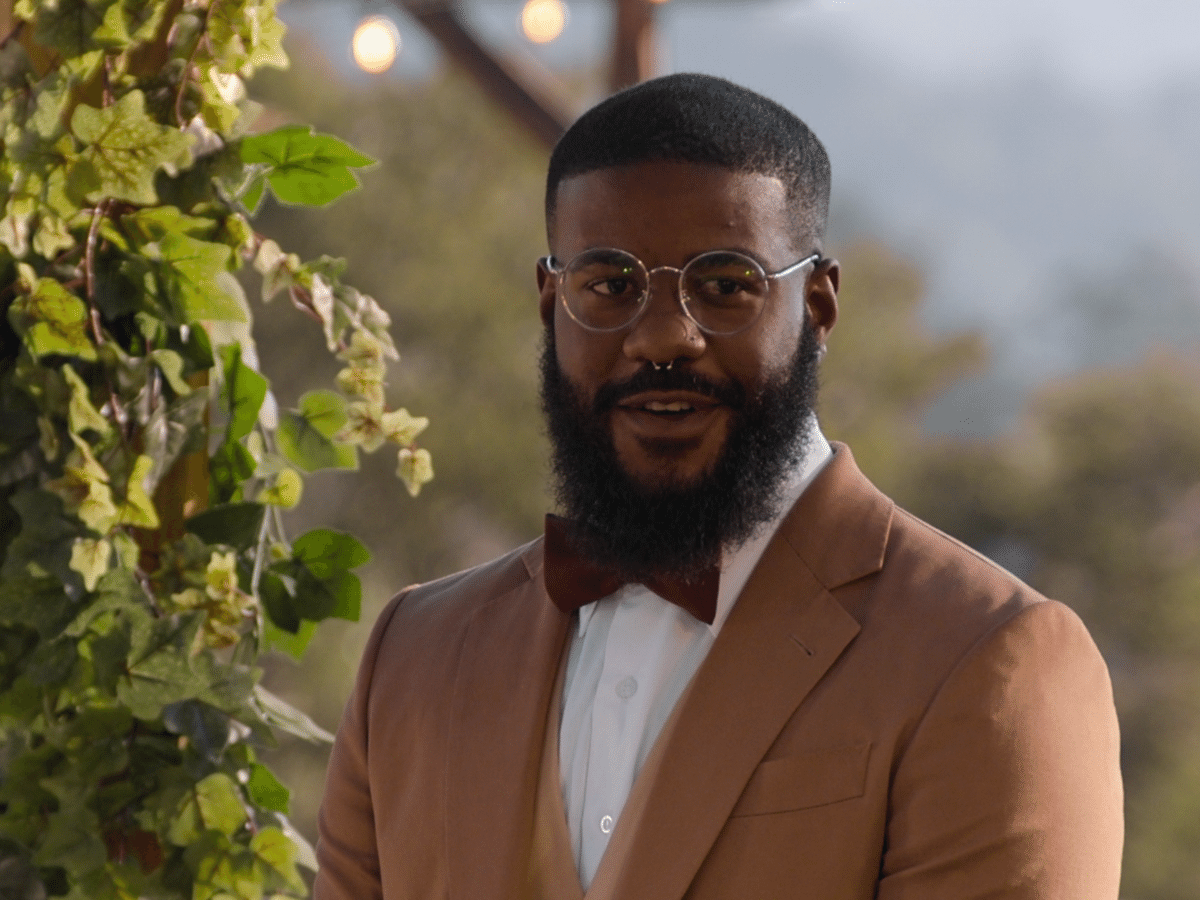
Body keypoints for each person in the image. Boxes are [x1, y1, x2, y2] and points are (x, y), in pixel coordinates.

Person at [313, 73, 1123, 900]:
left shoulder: (987, 657)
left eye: (726, 285)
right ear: (551, 302)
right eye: (611, 285)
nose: (664, 337)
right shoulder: (414, 657)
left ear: (818, 305)